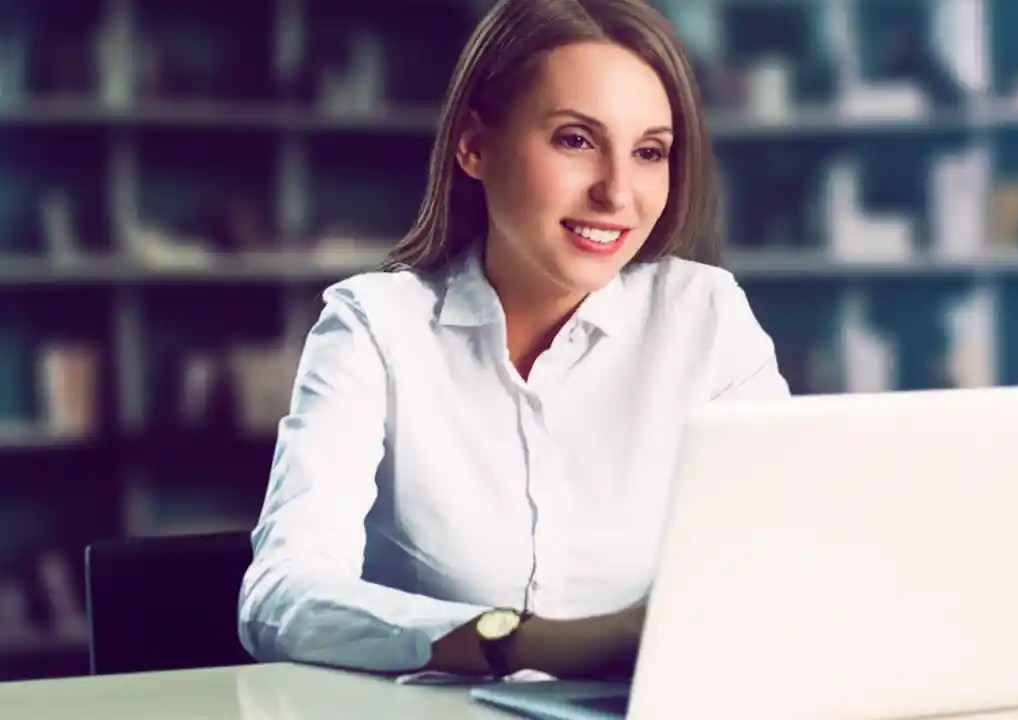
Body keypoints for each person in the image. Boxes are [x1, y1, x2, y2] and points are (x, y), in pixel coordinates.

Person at [237, 0, 789, 681]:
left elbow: (787, 558)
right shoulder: (375, 329)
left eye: (649, 152)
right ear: (474, 146)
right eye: (576, 140)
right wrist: (520, 642)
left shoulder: (706, 317)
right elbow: (278, 599)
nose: (618, 192)